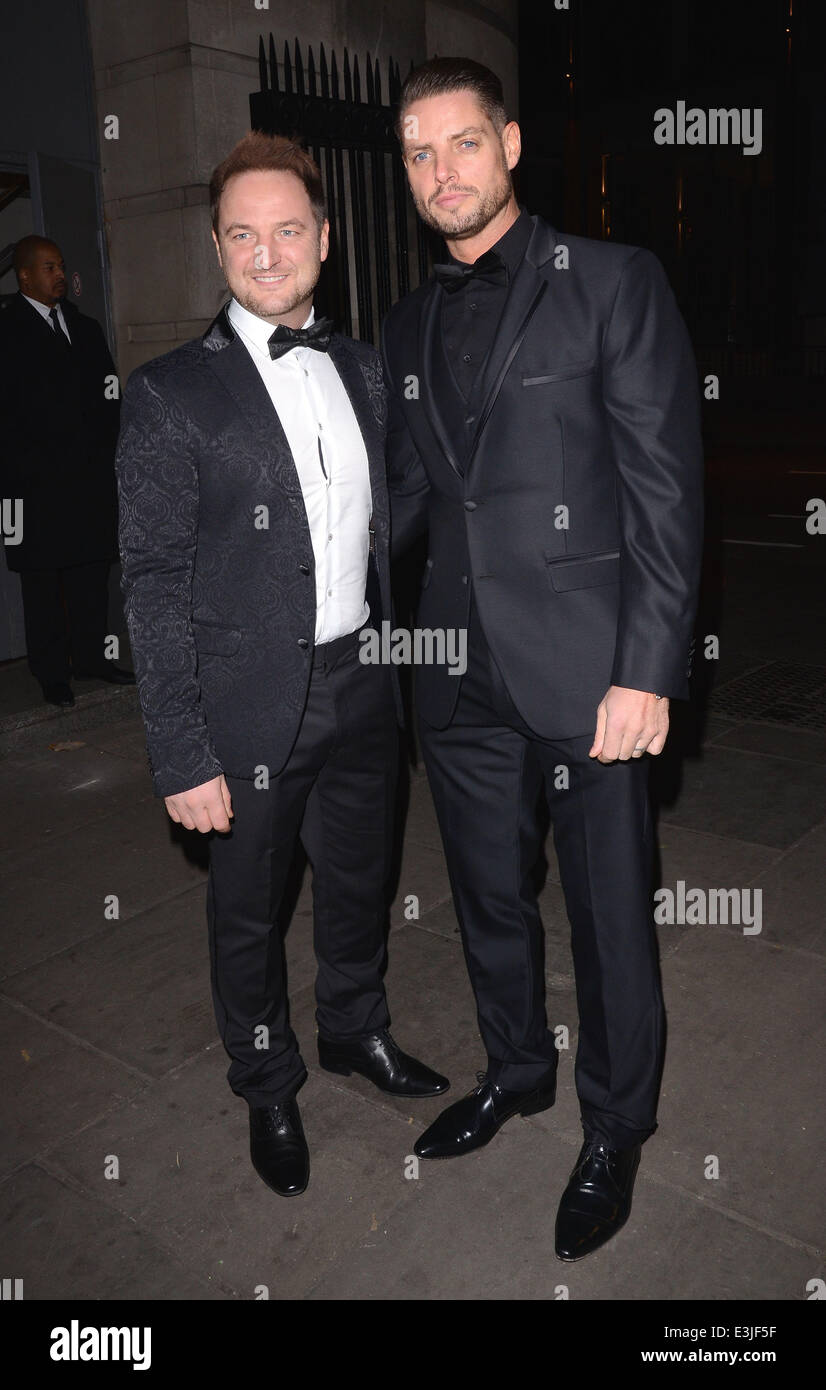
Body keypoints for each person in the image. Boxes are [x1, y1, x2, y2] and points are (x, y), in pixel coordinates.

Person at [382, 57, 703, 1260]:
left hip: (590, 677)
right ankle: (518, 1070)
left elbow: (667, 493)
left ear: (509, 145)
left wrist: (649, 668)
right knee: (485, 900)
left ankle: (615, 1126)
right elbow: (408, 499)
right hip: (456, 678)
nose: (441, 172)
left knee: (609, 914)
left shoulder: (613, 282)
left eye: (462, 144)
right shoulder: (409, 318)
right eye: (418, 153)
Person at [115, 132, 448, 1200]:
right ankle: (266, 1077)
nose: (268, 254)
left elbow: (386, 516)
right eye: (243, 235)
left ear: (325, 238)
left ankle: (354, 1029)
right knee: (248, 909)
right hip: (247, 707)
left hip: (362, 680)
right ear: (218, 248)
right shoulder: (171, 394)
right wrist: (179, 749)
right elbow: (154, 579)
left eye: (288, 230)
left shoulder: (359, 366)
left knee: (360, 881)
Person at [0, 236, 133, 706]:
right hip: (31, 486)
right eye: (49, 267)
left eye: (61, 265)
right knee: (40, 580)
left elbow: (109, 392)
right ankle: (51, 674)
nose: (60, 275)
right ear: (25, 276)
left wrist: (111, 452)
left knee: (89, 576)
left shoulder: (85, 326)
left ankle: (93, 660)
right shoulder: (7, 329)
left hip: (88, 480)